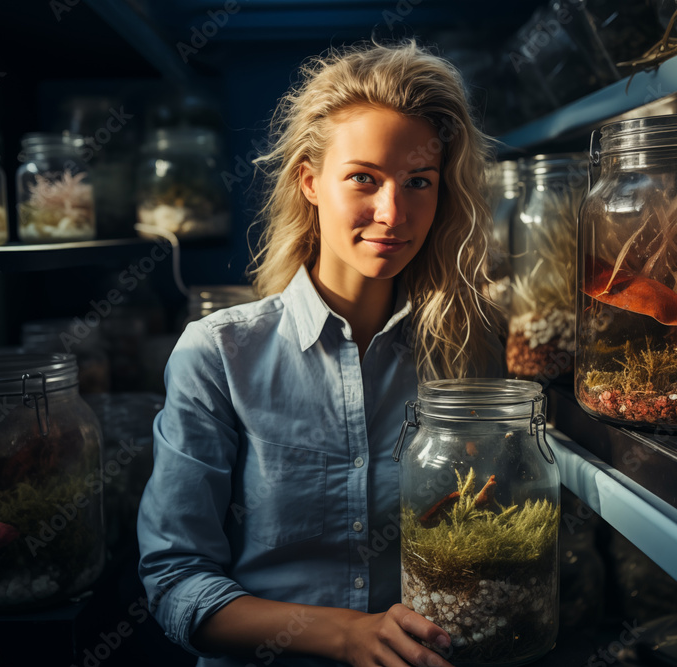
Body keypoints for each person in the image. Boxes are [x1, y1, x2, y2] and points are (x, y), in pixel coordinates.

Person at [137, 38, 503, 667]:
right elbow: (176, 584)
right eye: (364, 177)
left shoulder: (470, 353)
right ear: (310, 181)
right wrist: (346, 635)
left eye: (419, 182)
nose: (393, 212)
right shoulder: (219, 355)